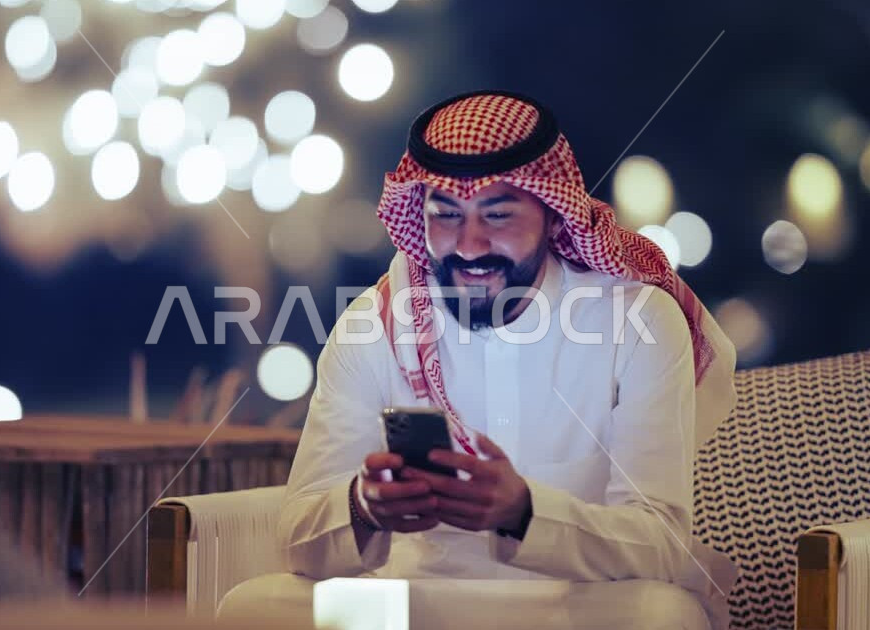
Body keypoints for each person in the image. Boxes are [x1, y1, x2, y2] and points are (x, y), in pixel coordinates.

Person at [271, 91, 738, 629]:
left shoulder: (637, 321)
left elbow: (660, 543)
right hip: (415, 610)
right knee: (256, 607)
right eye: (445, 215)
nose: (469, 245)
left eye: (497, 214)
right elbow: (297, 538)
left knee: (661, 617)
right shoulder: (375, 324)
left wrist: (525, 513)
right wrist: (363, 507)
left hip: (575, 609)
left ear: (552, 214)